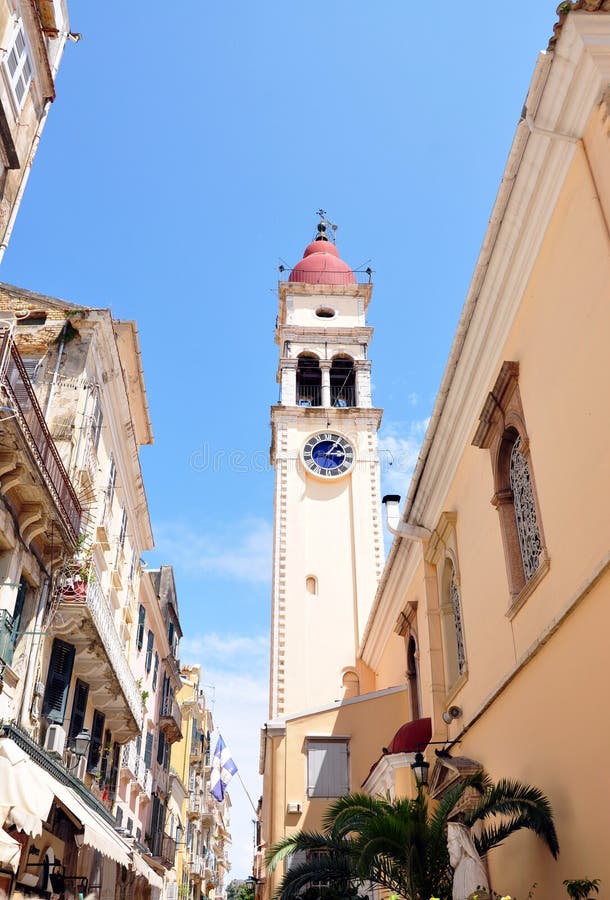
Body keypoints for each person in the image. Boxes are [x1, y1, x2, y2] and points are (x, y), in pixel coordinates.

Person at [447, 821, 489, 900]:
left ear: (461, 841)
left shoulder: (471, 865)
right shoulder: (458, 869)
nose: (448, 846)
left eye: (451, 842)